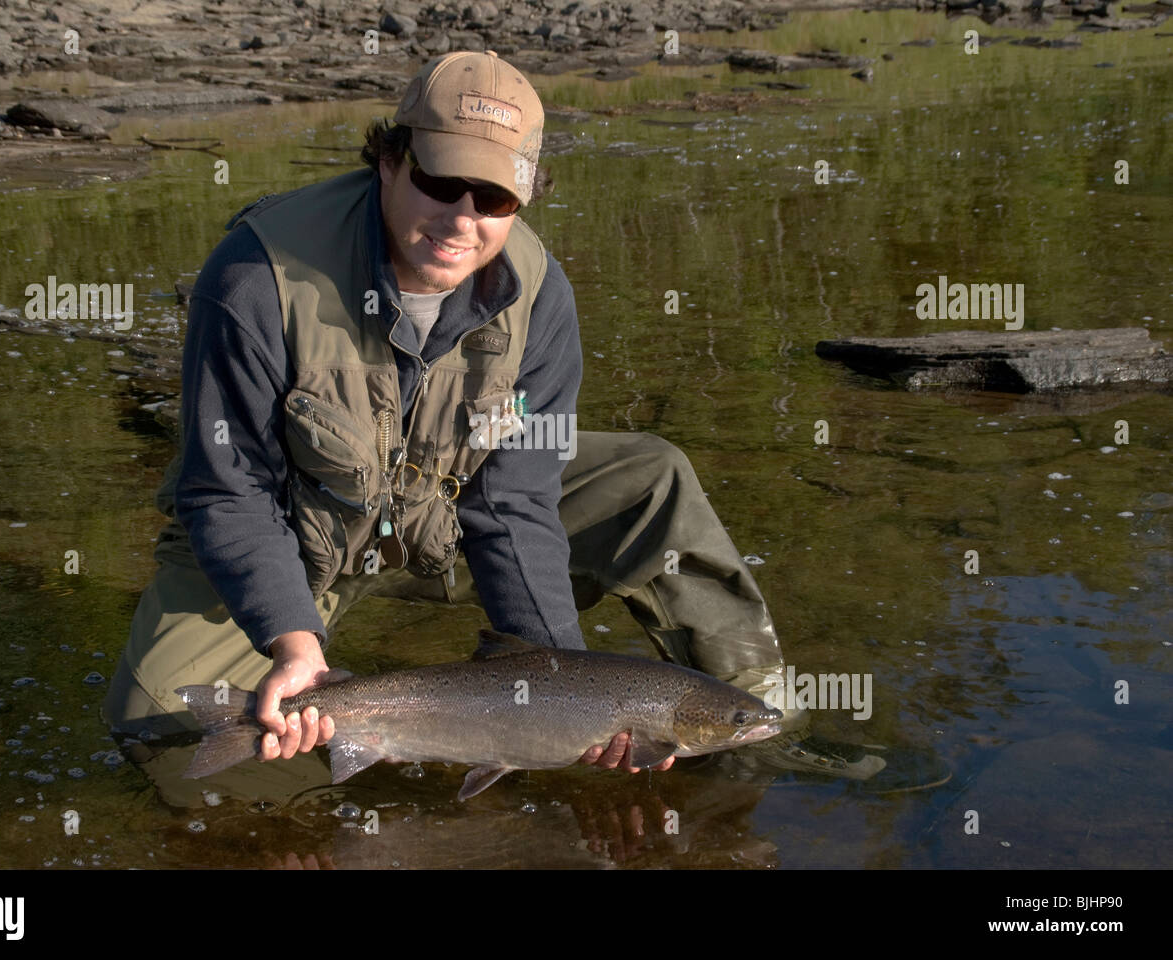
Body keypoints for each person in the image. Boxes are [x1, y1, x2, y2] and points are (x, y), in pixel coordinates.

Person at [105, 49, 863, 803]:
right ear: (390, 161)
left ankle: (760, 734)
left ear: (525, 198)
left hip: (443, 521)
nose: (463, 219)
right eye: (442, 182)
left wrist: (569, 696)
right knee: (167, 731)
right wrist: (292, 643)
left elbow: (516, 500)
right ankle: (322, 798)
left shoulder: (539, 294)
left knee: (651, 478)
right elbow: (228, 490)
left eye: (495, 198)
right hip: (289, 540)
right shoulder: (257, 275)